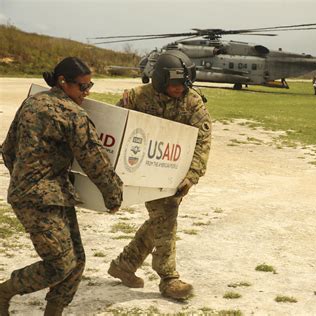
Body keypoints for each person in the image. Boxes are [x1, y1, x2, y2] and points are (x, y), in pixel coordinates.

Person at [0, 57, 123, 315]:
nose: (87, 93)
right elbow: (94, 161)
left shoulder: (31, 103)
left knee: (76, 261)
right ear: (62, 82)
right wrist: (113, 195)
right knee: (59, 264)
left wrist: (22, 177)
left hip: (52, 195)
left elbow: (8, 149)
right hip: (39, 200)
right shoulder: (72, 114)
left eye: (90, 86)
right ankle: (4, 291)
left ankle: (54, 311)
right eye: (82, 87)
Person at [107, 50, 212, 300]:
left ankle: (125, 264)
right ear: (160, 80)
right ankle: (168, 278)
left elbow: (203, 140)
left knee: (163, 216)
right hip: (139, 170)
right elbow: (113, 124)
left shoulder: (193, 102)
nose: (180, 89)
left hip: (173, 174)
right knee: (166, 216)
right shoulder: (137, 97)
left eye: (185, 83)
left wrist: (192, 174)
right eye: (175, 83)